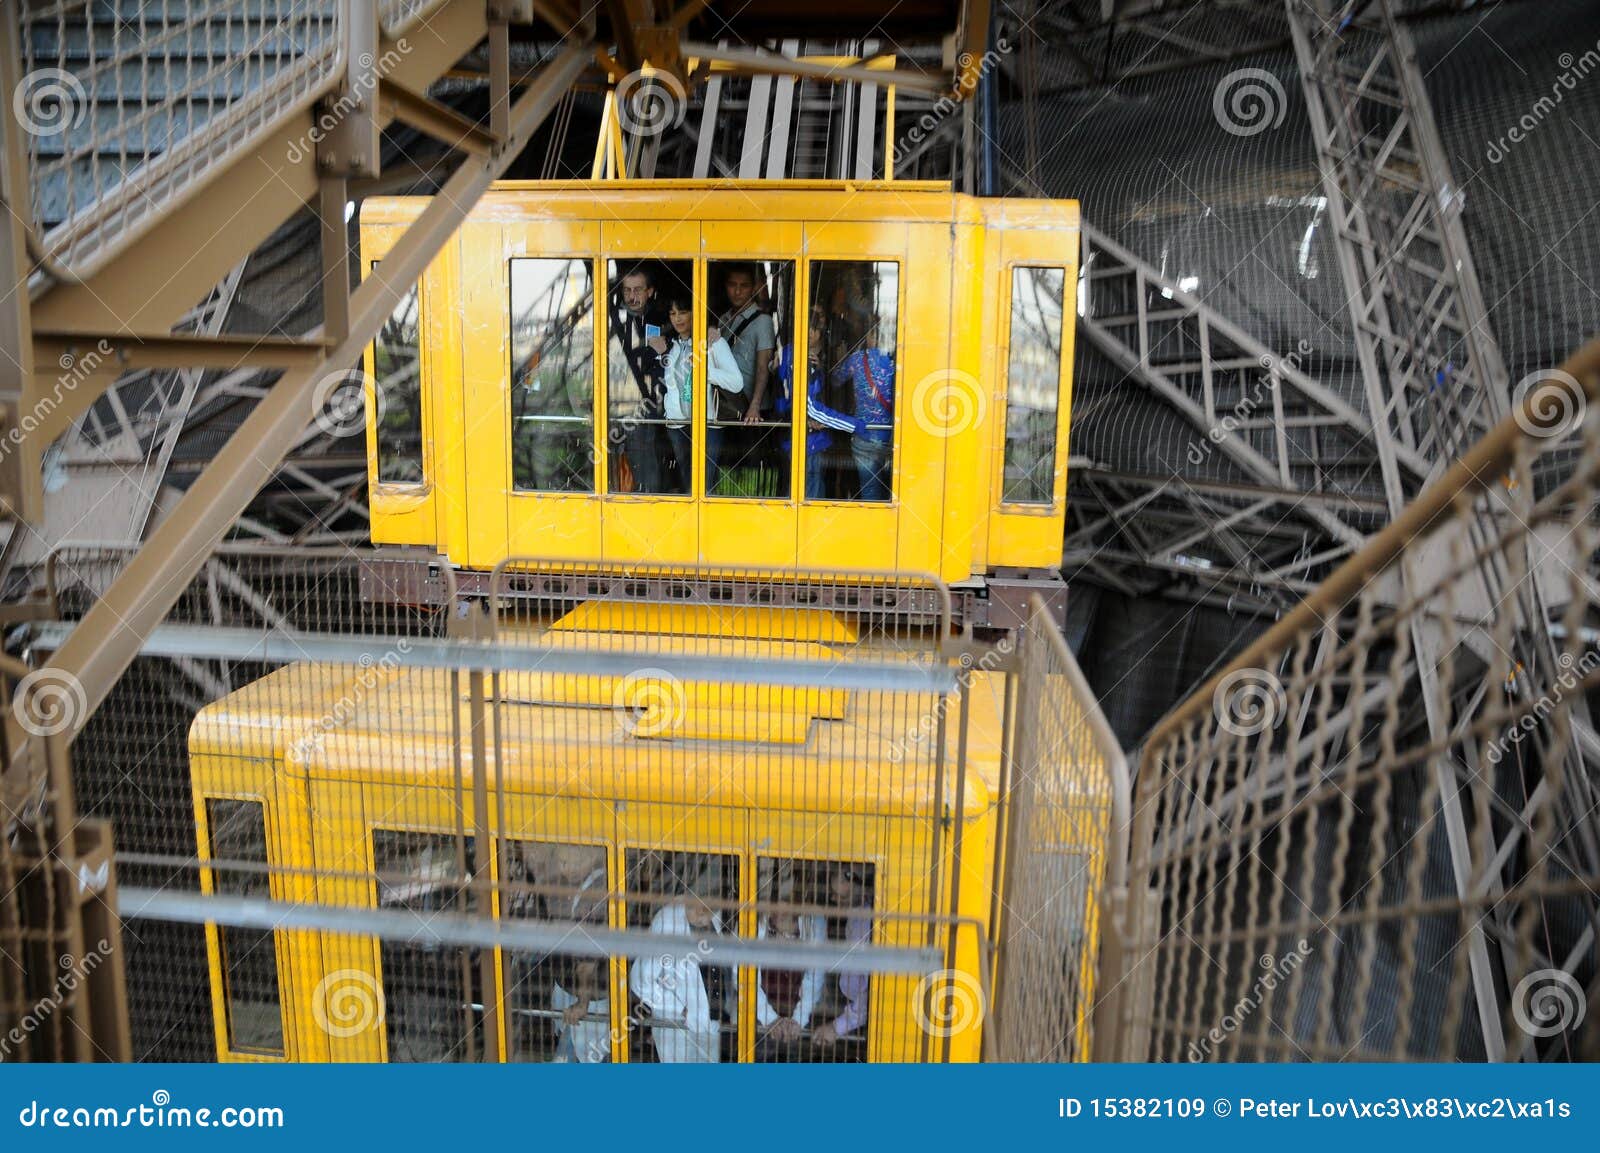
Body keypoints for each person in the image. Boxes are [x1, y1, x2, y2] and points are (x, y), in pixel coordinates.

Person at [629, 884, 731, 1063]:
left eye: (708, 909)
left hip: (710, 1022)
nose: (701, 914)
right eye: (695, 908)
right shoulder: (666, 923)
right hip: (676, 1025)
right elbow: (639, 981)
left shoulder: (716, 917)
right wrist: (676, 1007)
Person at [661, 292, 744, 496]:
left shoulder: (713, 342)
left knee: (704, 487)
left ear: (694, 313)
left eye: (683, 312)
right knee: (685, 483)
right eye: (672, 313)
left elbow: (737, 383)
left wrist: (705, 371)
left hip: (707, 424)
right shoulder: (671, 345)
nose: (677, 318)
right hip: (677, 424)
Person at [610, 266, 669, 493]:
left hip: (646, 410)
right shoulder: (612, 322)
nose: (632, 297)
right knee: (612, 475)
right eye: (627, 291)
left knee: (647, 470)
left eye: (637, 290)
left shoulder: (664, 319)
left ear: (650, 291)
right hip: (614, 408)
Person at [549, 866, 611, 1063]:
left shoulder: (599, 887)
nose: (563, 861)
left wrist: (582, 1003)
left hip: (587, 1001)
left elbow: (587, 960)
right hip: (570, 991)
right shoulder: (588, 879)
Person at [811, 864, 872, 1057]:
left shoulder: (867, 926)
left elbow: (869, 994)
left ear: (862, 891)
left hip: (861, 1018)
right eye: (833, 892)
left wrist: (837, 1027)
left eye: (841, 896)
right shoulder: (857, 914)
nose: (833, 898)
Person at [825, 342, 895, 502]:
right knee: (894, 492)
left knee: (870, 493)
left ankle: (873, 525)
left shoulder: (856, 359)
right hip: (894, 438)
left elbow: (834, 381)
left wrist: (840, 358)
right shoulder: (899, 361)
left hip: (865, 436)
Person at [752, 911, 825, 1062]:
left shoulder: (814, 922)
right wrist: (769, 1018)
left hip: (797, 1012)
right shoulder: (754, 920)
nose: (779, 909)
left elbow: (815, 977)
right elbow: (743, 977)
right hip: (754, 1012)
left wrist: (798, 1019)